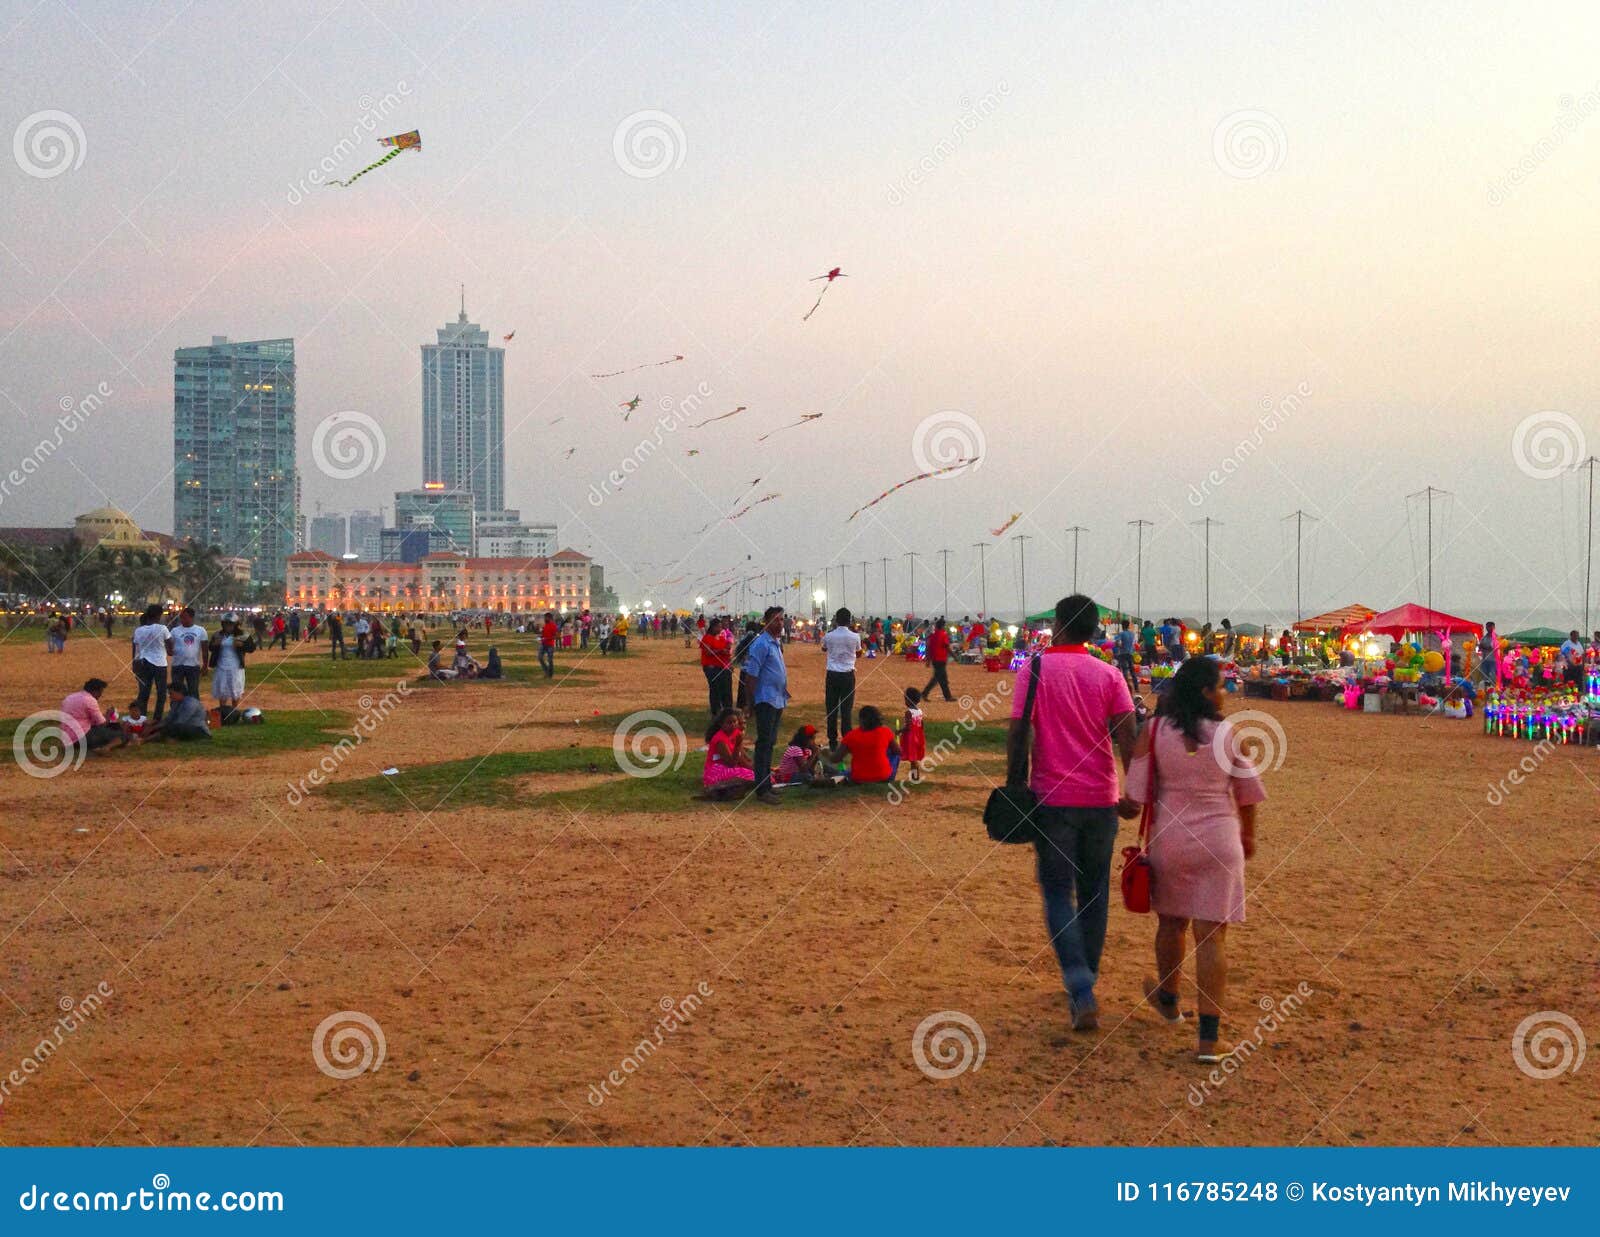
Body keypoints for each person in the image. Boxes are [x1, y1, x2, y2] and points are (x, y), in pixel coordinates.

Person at [1006, 594, 1139, 1032]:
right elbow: (1127, 737)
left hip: (1052, 799)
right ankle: (1088, 980)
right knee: (1095, 892)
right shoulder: (1110, 674)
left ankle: (1080, 986)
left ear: (1059, 625)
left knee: (1059, 891)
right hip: (1101, 798)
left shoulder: (1035, 670)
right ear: (1095, 631)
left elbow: (1020, 731)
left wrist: (1015, 782)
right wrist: (1134, 792)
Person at [1126, 655, 1265, 1063]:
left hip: (1171, 839)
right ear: (1205, 692)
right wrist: (1249, 834)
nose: (1224, 692)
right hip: (1220, 839)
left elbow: (1137, 794)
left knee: (1171, 923)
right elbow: (1248, 793)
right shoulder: (1228, 734)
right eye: (1221, 685)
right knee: (1212, 935)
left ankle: (1169, 998)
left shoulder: (1152, 731)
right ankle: (1209, 1037)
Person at [743, 607, 790, 804]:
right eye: (776, 620)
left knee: (770, 742)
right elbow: (751, 675)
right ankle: (761, 789)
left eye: (782, 620)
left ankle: (767, 784)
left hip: (777, 699)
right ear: (767, 622)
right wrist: (749, 703)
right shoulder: (761, 644)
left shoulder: (776, 643)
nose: (780, 623)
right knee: (763, 744)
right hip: (765, 699)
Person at [821, 608, 862, 745]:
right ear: (849, 620)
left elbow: (824, 648)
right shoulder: (855, 636)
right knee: (846, 708)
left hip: (832, 674)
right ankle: (847, 736)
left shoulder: (829, 635)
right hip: (847, 674)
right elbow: (859, 652)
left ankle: (832, 738)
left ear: (836, 620)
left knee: (831, 707)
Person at [832, 704, 900, 783]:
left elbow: (836, 758)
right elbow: (898, 751)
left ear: (861, 720)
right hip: (883, 777)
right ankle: (890, 776)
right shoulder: (885, 731)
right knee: (894, 754)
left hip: (858, 778)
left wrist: (827, 754)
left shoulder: (852, 735)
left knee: (843, 773)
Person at [60, 678, 128, 754]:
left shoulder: (69, 697)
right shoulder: (90, 700)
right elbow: (103, 723)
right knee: (122, 735)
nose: (100, 695)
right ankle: (105, 748)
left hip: (66, 739)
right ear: (95, 691)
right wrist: (108, 714)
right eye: (100, 692)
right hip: (81, 738)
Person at [130, 604, 173, 723]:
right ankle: (157, 719)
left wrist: (134, 663)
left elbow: (135, 649)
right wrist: (169, 651)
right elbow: (170, 646)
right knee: (161, 693)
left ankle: (141, 719)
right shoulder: (162, 628)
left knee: (143, 693)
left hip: (143, 663)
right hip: (159, 664)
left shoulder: (138, 630)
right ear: (159, 615)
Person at [703, 708, 756, 797]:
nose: (733, 725)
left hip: (727, 769)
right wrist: (738, 744)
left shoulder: (736, 733)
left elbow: (744, 758)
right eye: (729, 723)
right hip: (716, 771)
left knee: (755, 774)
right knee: (753, 776)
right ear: (721, 724)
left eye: (735, 722)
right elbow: (731, 763)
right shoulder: (720, 740)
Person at [143, 680, 210, 741]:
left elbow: (179, 722)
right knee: (158, 725)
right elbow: (168, 719)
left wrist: (157, 728)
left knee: (172, 727)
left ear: (179, 692)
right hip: (182, 728)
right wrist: (153, 727)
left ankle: (144, 740)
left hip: (200, 731)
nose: (170, 696)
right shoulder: (176, 703)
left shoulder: (191, 704)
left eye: (171, 693)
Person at [208, 616, 252, 709]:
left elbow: (251, 647)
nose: (228, 626)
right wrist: (214, 644)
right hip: (221, 665)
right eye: (226, 624)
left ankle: (234, 710)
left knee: (235, 688)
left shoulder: (242, 635)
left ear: (236, 624)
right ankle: (222, 710)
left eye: (231, 624)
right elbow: (210, 647)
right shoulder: (218, 635)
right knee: (222, 688)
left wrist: (242, 645)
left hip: (236, 666)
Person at [168, 607, 208, 701]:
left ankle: (194, 712)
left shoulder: (201, 631)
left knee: (193, 691)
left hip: (193, 666)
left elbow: (205, 649)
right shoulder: (174, 631)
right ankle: (176, 712)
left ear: (192, 617)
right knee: (176, 691)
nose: (182, 620)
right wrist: (169, 650)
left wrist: (205, 665)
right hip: (178, 665)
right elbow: (169, 645)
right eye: (181, 617)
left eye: (185, 617)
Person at [699, 617, 734, 718]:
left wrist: (729, 662)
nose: (720, 629)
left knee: (726, 689)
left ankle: (727, 711)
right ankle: (716, 711)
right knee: (715, 689)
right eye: (718, 627)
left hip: (723, 667)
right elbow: (708, 652)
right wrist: (720, 651)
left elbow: (727, 650)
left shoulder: (721, 637)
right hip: (711, 668)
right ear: (713, 627)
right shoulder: (707, 638)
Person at [899, 687, 926, 777]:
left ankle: (915, 777)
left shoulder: (908, 712)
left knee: (913, 759)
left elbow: (908, 727)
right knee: (914, 758)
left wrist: (899, 731)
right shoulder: (920, 711)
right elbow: (921, 723)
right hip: (918, 735)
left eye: (905, 699)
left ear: (908, 700)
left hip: (910, 738)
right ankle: (914, 776)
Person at [1113, 623, 1137, 691]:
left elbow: (1117, 642)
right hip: (1131, 653)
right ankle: (1136, 687)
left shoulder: (1121, 634)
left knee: (1125, 670)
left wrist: (1119, 646)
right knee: (1132, 670)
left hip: (1123, 653)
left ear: (1122, 626)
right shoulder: (1132, 634)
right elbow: (1134, 643)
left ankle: (1126, 686)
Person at [538, 611, 558, 678]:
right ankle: (546, 670)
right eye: (544, 618)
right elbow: (542, 634)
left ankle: (550, 674)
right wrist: (541, 637)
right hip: (543, 644)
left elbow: (555, 635)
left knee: (550, 660)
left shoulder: (553, 625)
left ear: (549, 618)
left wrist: (550, 637)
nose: (544, 619)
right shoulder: (544, 625)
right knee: (540, 657)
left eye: (546, 618)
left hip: (550, 645)